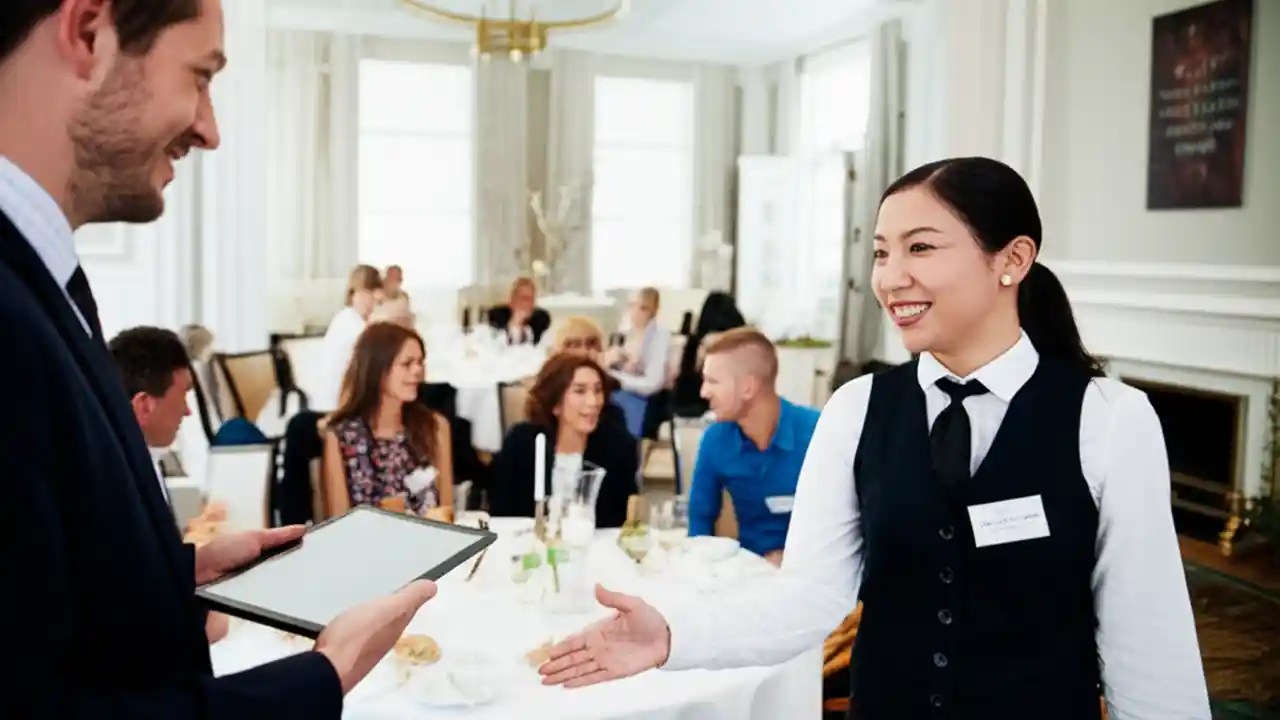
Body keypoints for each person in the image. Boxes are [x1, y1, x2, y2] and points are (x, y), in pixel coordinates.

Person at [538, 157, 1211, 719]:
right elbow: (808, 596)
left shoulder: (1110, 419)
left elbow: (1148, 646)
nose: (891, 277)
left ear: (1012, 260)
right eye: (882, 253)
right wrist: (673, 634)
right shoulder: (857, 409)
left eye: (920, 247)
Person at [0, 2, 436, 718]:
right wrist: (323, 676)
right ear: (87, 33)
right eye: (199, 77)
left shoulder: (47, 278)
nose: (210, 127)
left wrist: (182, 574)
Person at [107, 325, 232, 644]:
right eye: (185, 394)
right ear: (145, 405)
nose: (189, 411)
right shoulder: (119, 484)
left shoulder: (143, 462)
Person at [687, 329, 820, 566]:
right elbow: (699, 524)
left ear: (748, 387)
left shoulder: (819, 433)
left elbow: (854, 524)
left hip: (818, 575)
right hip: (748, 576)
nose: (703, 392)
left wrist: (793, 560)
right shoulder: (714, 440)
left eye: (713, 381)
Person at [322, 323, 454, 521]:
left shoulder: (434, 428)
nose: (418, 370)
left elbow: (446, 513)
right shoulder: (342, 437)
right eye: (407, 363)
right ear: (378, 369)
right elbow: (339, 522)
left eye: (420, 362)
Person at [490, 354, 638, 528]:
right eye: (580, 391)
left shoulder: (617, 446)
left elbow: (617, 523)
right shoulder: (521, 443)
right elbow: (501, 515)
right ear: (555, 403)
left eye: (598, 390)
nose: (593, 402)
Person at [604, 287, 672, 437]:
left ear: (651, 310)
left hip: (644, 400)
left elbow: (652, 384)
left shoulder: (660, 336)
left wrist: (617, 378)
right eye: (631, 305)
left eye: (640, 307)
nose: (633, 312)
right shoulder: (625, 332)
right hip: (619, 394)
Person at [316, 264, 382, 410]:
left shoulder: (349, 319)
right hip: (337, 405)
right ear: (354, 294)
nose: (373, 300)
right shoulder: (350, 323)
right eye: (368, 292)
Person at [488, 276, 550, 345]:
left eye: (531, 299)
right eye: (524, 298)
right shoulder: (497, 320)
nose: (528, 303)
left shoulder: (541, 322)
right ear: (512, 301)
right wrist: (515, 324)